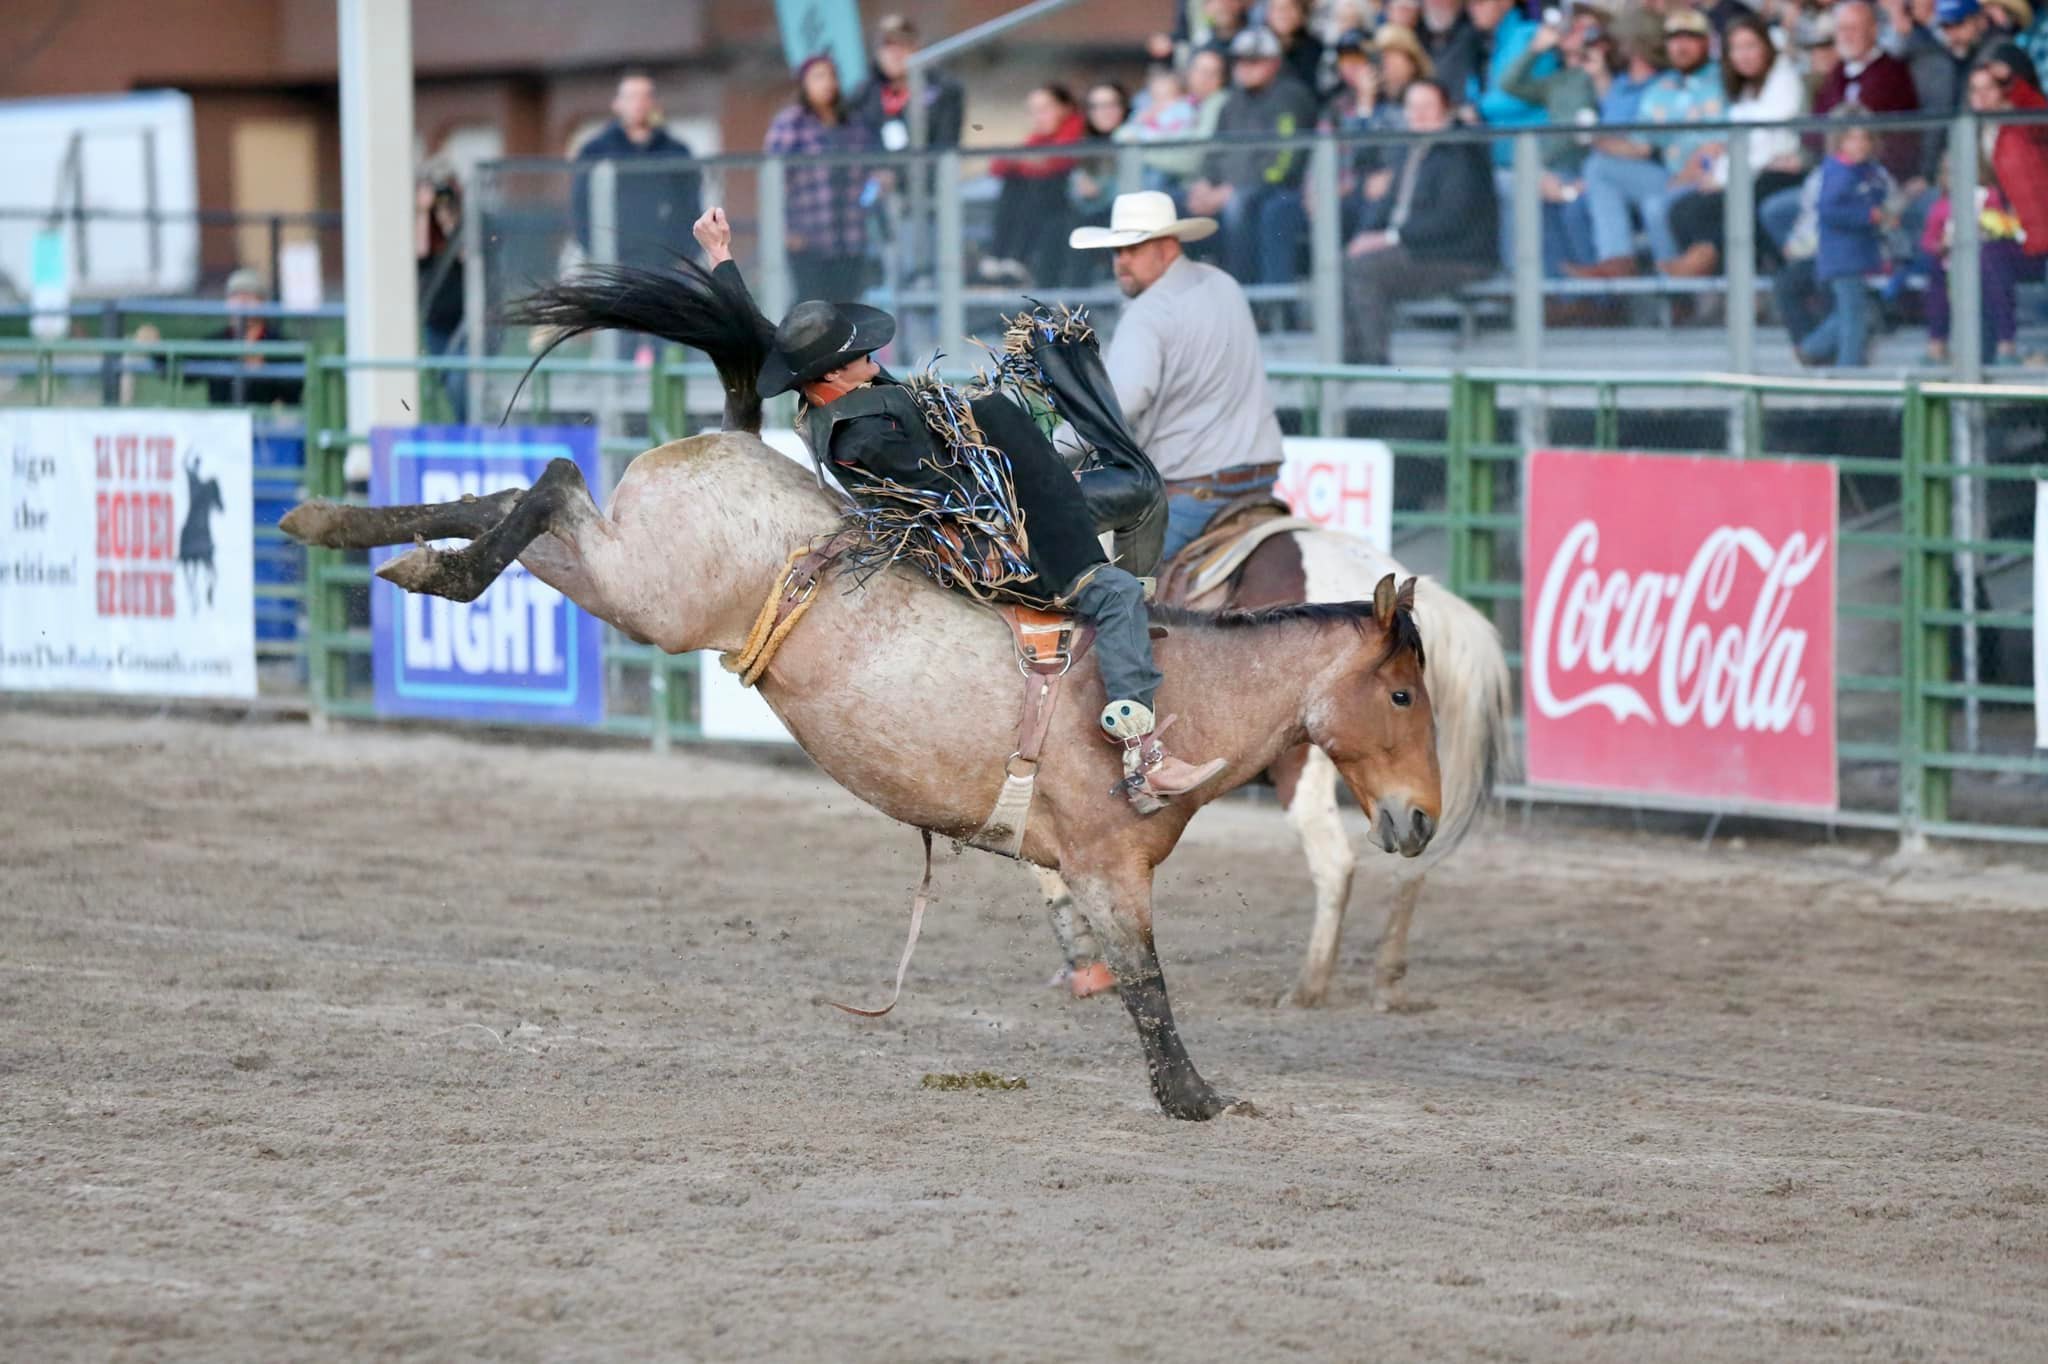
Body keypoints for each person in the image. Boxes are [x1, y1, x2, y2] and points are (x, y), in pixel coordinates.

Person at [691, 204, 1227, 811]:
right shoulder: (865, 437)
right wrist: (1003, 433)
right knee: (1119, 584)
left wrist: (722, 257)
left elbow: (762, 335)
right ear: (832, 375)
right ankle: (1141, 755)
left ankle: (1128, 637)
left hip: (995, 505)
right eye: (863, 353)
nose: (875, 355)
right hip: (990, 541)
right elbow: (962, 498)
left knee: (1133, 489)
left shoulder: (831, 391)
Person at [1068, 191, 1288, 564]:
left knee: (1095, 581)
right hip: (1258, 482)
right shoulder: (1224, 284)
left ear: (1168, 247)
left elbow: (1119, 404)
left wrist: (1049, 448)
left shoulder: (1149, 311)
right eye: (1117, 251)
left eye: (1134, 249)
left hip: (1194, 489)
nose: (1122, 261)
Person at [1340, 79, 1501, 364]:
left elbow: (1451, 220)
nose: (1419, 115)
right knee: (1345, 260)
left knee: (1365, 268)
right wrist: (1364, 236)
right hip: (1413, 249)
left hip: (1458, 256)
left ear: (1445, 110)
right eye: (1412, 107)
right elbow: (1386, 205)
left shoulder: (1461, 151)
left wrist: (1390, 238)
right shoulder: (1408, 149)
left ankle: (1373, 364)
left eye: (1427, 107)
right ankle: (1350, 363)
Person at [1569, 8, 1724, 278]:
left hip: (1712, 177)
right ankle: (1617, 259)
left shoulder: (1722, 79)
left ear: (1706, 42)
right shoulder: (1661, 88)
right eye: (1675, 38)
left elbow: (1722, 141)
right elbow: (1641, 147)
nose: (1681, 45)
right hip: (1673, 177)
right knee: (1598, 167)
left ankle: (1677, 296)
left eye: (1690, 37)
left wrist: (1692, 172)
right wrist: (1595, 139)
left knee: (1656, 206)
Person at [1662, 13, 1810, 275]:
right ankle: (1715, 288)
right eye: (1736, 49)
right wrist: (1718, 174)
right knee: (1682, 209)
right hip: (1746, 172)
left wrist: (1722, 178)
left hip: (1779, 172)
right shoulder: (1744, 90)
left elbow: (1767, 143)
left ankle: (1711, 258)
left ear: (1766, 46)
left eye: (1750, 46)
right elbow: (1738, 144)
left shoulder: (1784, 80)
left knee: (1737, 203)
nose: (1744, 55)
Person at [1185, 28, 1320, 290]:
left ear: (1274, 62)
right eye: (1241, 60)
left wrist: (1231, 190)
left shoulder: (1291, 96)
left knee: (1240, 205)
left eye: (1255, 60)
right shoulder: (1232, 101)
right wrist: (1205, 183)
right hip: (1227, 191)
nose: (1246, 67)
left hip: (1279, 191)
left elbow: (1284, 162)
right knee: (1177, 206)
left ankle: (1248, 300)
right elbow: (1215, 149)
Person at [766, 55, 876, 305]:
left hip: (850, 236)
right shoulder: (791, 123)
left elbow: (869, 172)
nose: (827, 83)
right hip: (807, 239)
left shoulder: (852, 124)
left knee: (848, 307)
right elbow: (774, 181)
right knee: (811, 309)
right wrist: (787, 229)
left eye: (831, 76)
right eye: (818, 76)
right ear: (804, 84)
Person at [573, 71, 702, 270]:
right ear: (617, 103)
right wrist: (596, 253)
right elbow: (581, 209)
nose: (639, 104)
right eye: (632, 97)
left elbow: (691, 205)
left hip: (666, 263)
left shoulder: (676, 151)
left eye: (646, 96)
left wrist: (686, 254)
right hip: (613, 264)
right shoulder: (595, 151)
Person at [1798, 110, 1892, 366]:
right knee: (1853, 315)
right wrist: (1868, 215)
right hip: (1842, 255)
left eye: (1864, 138)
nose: (1859, 144)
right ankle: (1848, 370)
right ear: (1839, 140)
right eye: (1852, 138)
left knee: (1851, 311)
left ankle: (1812, 348)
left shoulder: (1869, 171)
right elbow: (1829, 211)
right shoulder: (1838, 172)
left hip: (1861, 253)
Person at [980, 85, 1087, 286]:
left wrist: (1023, 162)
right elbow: (999, 167)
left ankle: (1016, 257)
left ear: (1065, 108)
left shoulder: (1076, 128)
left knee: (1034, 185)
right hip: (1044, 205)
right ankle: (999, 255)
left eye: (1044, 109)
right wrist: (1024, 162)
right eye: (1033, 111)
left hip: (1070, 205)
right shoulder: (1040, 137)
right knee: (1012, 184)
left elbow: (1054, 163)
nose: (1038, 117)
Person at [852, 13, 964, 152]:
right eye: (888, 45)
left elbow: (946, 148)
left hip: (926, 170)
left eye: (902, 44)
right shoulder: (863, 94)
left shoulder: (943, 90)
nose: (895, 53)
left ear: (916, 48)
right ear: (879, 52)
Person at [205, 267, 302, 407]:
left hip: (265, 424)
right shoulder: (216, 341)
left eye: (250, 295)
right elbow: (180, 368)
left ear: (263, 302)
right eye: (235, 295)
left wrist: (265, 371)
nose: (242, 301)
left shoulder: (279, 344)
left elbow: (295, 393)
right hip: (224, 424)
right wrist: (161, 348)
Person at [415, 175, 468, 422]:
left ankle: (465, 427)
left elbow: (466, 255)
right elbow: (421, 252)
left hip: (464, 324)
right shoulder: (429, 233)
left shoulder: (466, 229)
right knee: (444, 382)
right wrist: (425, 211)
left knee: (460, 381)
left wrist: (454, 223)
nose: (443, 211)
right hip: (437, 323)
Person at [1070, 82, 1135, 263]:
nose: (1103, 112)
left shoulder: (1133, 138)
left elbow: (1130, 193)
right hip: (1093, 216)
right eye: (1096, 107)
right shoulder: (1087, 144)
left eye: (1110, 105)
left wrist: (1097, 192)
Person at [1266, 0, 1329, 95]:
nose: (1283, 15)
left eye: (1289, 8)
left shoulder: (1315, 49)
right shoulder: (1258, 48)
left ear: (1301, 14)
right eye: (1278, 9)